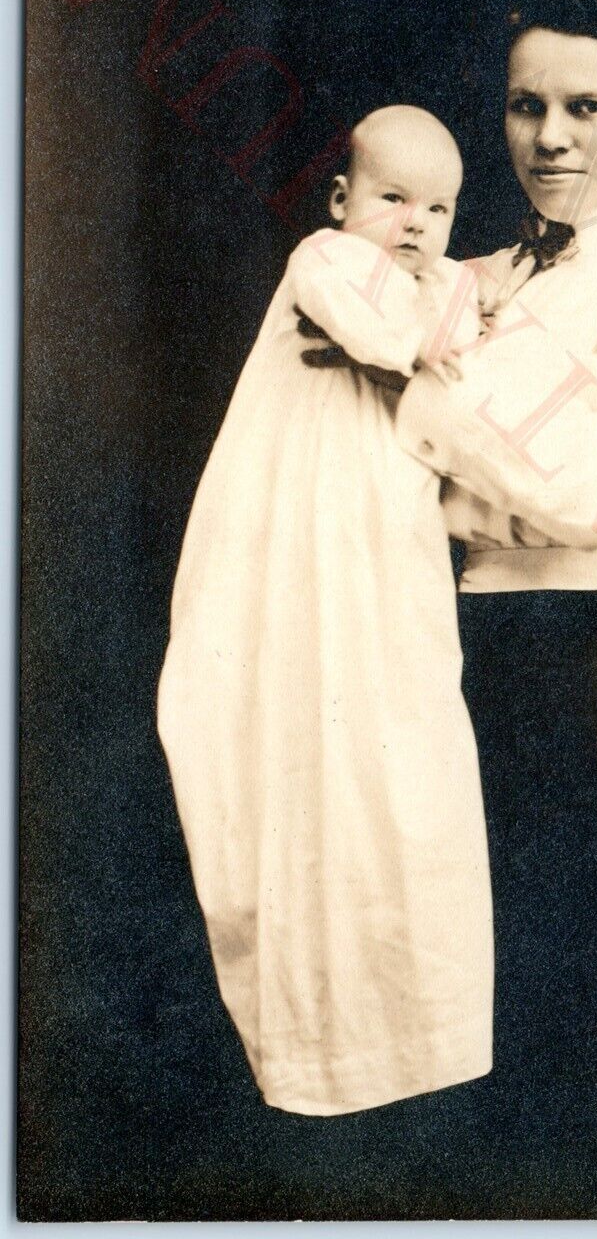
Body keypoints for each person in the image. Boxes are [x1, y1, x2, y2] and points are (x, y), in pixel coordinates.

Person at [302, 0, 597, 1120]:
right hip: (413, 645)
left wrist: (423, 387)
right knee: (424, 998)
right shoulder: (457, 274)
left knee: (563, 1009)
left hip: (569, 663)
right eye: (524, 106)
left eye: (587, 107)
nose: (550, 138)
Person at [157, 105, 494, 1117]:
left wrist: (465, 297)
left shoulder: (432, 286)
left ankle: (408, 1038)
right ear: (343, 200)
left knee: (396, 761)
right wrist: (474, 297)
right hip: (286, 539)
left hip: (377, 549)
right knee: (282, 748)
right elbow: (401, 335)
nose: (414, 224)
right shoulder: (330, 264)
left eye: (437, 208)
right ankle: (311, 1046)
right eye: (391, 197)